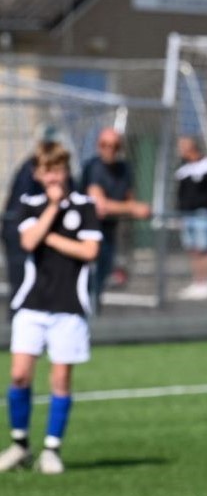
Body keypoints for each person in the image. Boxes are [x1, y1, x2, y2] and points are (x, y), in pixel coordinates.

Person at [0, 142, 102, 475]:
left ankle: (51, 449)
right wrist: (52, 209)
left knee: (60, 378)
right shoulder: (30, 205)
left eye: (59, 169)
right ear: (38, 174)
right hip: (32, 304)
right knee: (19, 375)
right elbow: (29, 242)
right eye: (48, 170)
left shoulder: (85, 206)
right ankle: (20, 445)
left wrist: (54, 240)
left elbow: (90, 251)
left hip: (69, 306)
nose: (54, 176)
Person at [81, 127, 151, 309]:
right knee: (87, 280)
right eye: (104, 145)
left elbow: (130, 199)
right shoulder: (93, 167)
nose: (109, 149)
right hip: (87, 233)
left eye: (114, 146)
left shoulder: (124, 169)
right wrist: (130, 208)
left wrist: (127, 207)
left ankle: (93, 314)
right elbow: (100, 206)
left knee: (101, 278)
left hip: (109, 233)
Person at [2, 126, 63, 313]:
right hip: (19, 235)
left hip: (40, 235)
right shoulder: (29, 170)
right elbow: (23, 209)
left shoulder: (61, 176)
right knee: (22, 287)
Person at [174, 134, 207, 301]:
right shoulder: (182, 169)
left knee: (203, 249)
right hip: (187, 215)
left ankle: (206, 283)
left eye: (183, 145)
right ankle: (197, 281)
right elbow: (181, 194)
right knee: (193, 249)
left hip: (203, 213)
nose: (180, 149)